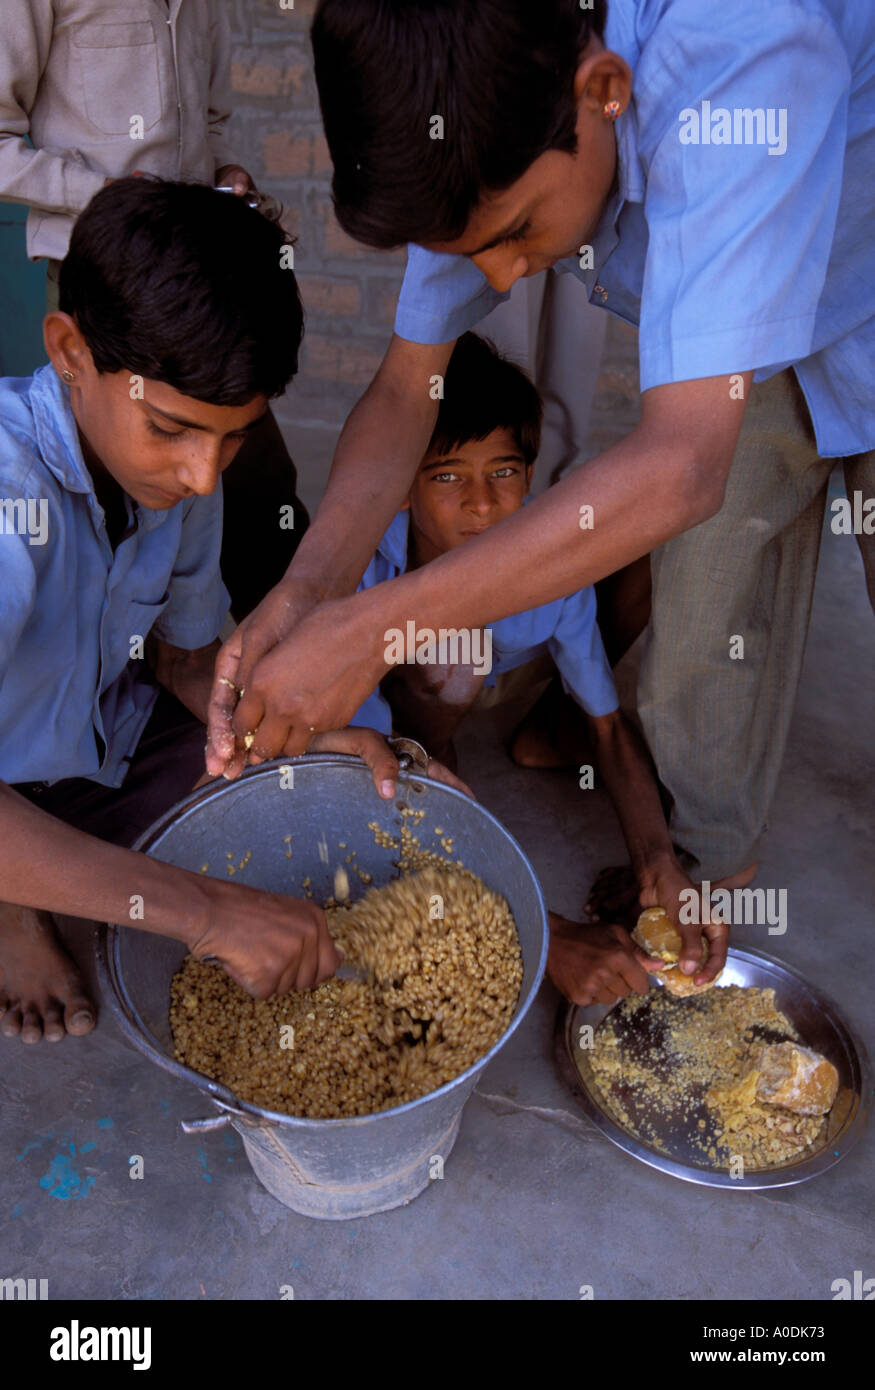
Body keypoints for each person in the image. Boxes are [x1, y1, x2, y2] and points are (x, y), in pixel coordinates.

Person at [205, 0, 874, 989]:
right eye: (471, 249)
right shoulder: (470, 96)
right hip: (757, 326)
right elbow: (405, 387)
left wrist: (371, 630)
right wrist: (311, 588)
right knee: (703, 618)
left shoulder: (745, 38)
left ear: (601, 91)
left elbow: (680, 464)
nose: (502, 275)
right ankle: (700, 857)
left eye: (517, 233)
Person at [0, 178, 462, 1045]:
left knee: (325, 822)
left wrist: (310, 742)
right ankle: (14, 900)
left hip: (107, 741)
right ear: (69, 349)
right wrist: (206, 911)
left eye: (234, 438)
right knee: (223, 900)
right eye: (171, 430)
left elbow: (184, 662)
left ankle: (57, 869)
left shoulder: (184, 477)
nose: (205, 476)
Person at [347, 332, 729, 1003]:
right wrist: (541, 933)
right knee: (450, 666)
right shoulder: (364, 574)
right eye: (447, 477)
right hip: (410, 694)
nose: (482, 503)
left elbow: (608, 731)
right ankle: (440, 748)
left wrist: (658, 862)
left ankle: (545, 730)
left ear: (529, 472)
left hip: (510, 670)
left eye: (503, 471)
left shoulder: (544, 566)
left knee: (636, 553)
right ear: (402, 487)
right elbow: (371, 779)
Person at [0, 0, 307, 620]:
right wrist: (100, 195)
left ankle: (256, 660)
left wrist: (224, 173)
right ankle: (89, 664)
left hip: (205, 282)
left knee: (244, 484)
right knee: (114, 475)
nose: (205, 469)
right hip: (107, 278)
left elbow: (211, 122)